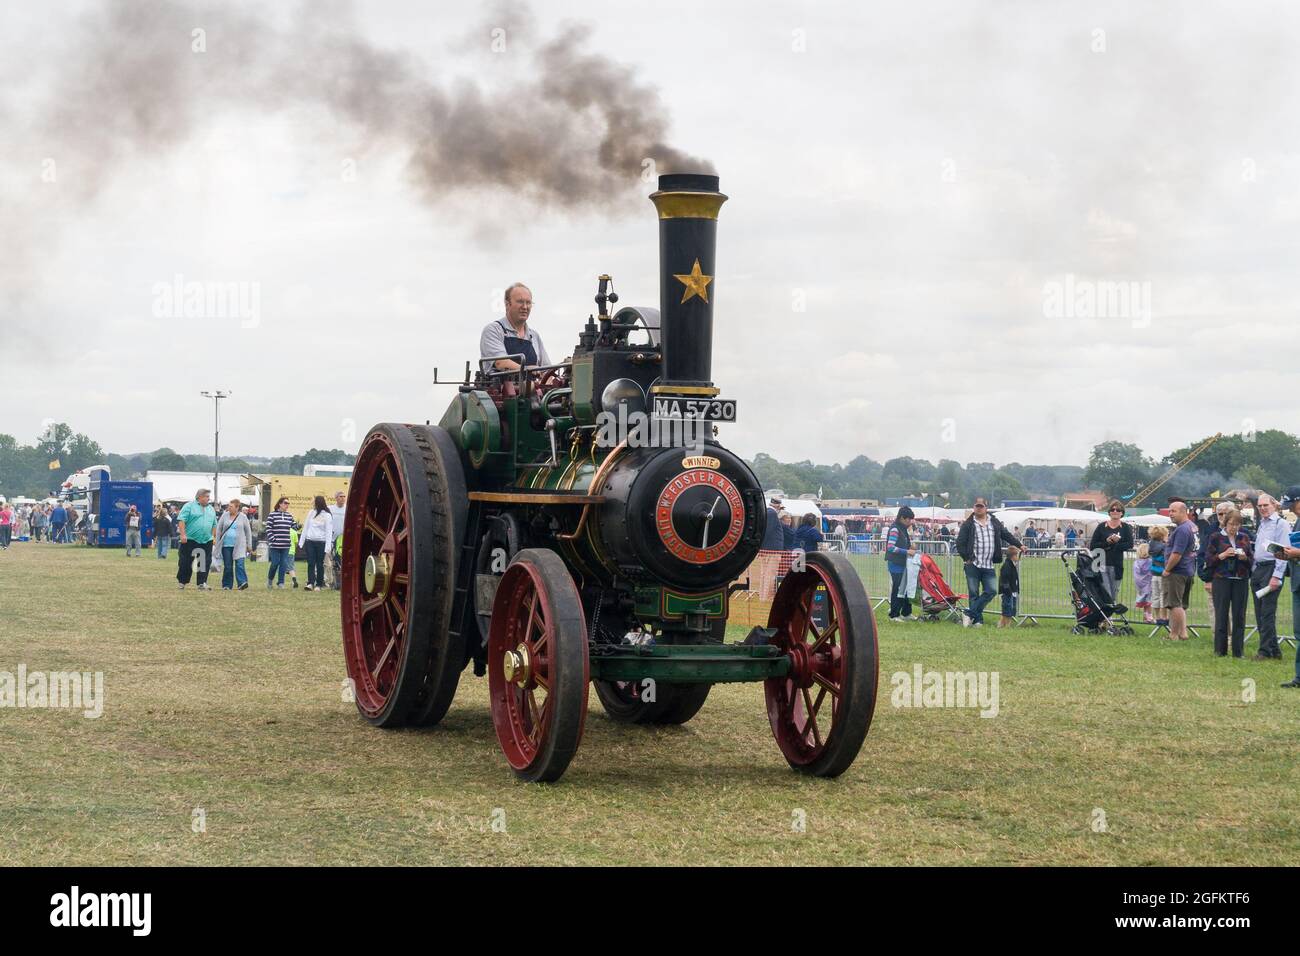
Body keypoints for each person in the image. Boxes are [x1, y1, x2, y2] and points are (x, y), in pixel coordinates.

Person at [956, 498, 1021, 628]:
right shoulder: (968, 524)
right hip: (972, 564)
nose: (979, 508)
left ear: (986, 508)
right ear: (973, 507)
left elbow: (1006, 535)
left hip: (988, 564)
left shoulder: (994, 522)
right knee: (973, 592)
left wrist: (1020, 545)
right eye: (977, 506)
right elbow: (960, 542)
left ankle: (968, 613)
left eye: (981, 506)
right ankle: (977, 620)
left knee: (991, 590)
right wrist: (966, 557)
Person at [1204, 507, 1253, 658]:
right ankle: (1220, 650)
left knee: (1239, 616)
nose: (1234, 527)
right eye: (1231, 524)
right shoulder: (1215, 537)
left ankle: (1238, 652)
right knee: (1221, 615)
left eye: (1237, 524)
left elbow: (1252, 561)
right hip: (1221, 580)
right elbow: (1208, 560)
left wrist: (1245, 558)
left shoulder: (1244, 538)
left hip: (1240, 580)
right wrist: (1222, 555)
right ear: (1225, 524)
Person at [1250, 493, 1289, 661]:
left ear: (1274, 505)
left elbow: (1283, 552)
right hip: (1258, 570)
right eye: (1260, 506)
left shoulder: (1281, 524)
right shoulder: (1262, 524)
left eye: (1266, 505)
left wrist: (1277, 576)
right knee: (1260, 612)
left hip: (1271, 569)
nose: (1263, 508)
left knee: (1267, 612)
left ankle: (1265, 651)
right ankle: (1274, 650)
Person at [480, 283, 551, 372]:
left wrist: (549, 379)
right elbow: (501, 363)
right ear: (507, 304)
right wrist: (530, 370)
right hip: (502, 385)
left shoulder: (534, 336)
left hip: (533, 385)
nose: (525, 307)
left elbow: (547, 369)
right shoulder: (494, 330)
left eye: (528, 303)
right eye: (520, 302)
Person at [1274, 486, 1300, 688]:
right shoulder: (1297, 521)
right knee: (1299, 632)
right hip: (1297, 581)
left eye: (1292, 505)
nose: (1291, 509)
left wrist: (1296, 553)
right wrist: (1284, 554)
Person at [1161, 498, 1198, 641]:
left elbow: (1177, 553)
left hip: (1177, 571)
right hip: (1188, 569)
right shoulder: (1192, 526)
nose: (1170, 514)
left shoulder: (1182, 529)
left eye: (1173, 511)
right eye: (1169, 511)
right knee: (1181, 605)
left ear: (1183, 512)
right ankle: (1183, 634)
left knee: (1174, 604)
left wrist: (1167, 569)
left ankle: (1174, 635)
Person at [1088, 500, 1134, 601]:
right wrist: (1107, 542)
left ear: (1122, 513)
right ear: (1109, 512)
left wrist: (1116, 544)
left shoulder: (1126, 527)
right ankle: (1106, 616)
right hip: (1101, 563)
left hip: (1116, 564)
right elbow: (1093, 545)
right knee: (1105, 591)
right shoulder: (1101, 526)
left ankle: (1109, 614)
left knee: (1114, 592)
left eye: (1118, 509)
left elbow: (1130, 544)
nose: (1115, 511)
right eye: (1113, 509)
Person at [176, 488, 217, 591]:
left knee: (204, 562)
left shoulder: (211, 509)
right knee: (186, 562)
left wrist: (213, 537)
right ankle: (182, 582)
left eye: (208, 496)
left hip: (206, 540)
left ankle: (202, 583)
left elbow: (214, 524)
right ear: (199, 497)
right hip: (190, 539)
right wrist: (183, 534)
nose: (209, 498)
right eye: (206, 496)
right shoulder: (189, 506)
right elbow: (181, 520)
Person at [885, 506, 917, 621]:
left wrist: (911, 547)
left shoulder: (903, 529)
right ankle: (894, 615)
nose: (910, 522)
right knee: (898, 589)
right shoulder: (895, 529)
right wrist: (907, 551)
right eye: (909, 519)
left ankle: (906, 613)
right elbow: (890, 548)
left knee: (907, 588)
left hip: (903, 564)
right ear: (902, 518)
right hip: (895, 564)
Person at [214, 499, 253, 591]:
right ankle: (227, 585)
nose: (229, 508)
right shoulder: (224, 515)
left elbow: (248, 532)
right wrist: (217, 542)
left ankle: (242, 583)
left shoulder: (243, 517)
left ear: (237, 508)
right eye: (228, 506)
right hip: (226, 545)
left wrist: (249, 545)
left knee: (240, 564)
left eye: (231, 506)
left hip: (240, 545)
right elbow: (219, 529)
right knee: (228, 566)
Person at [300, 495, 334, 591]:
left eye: (314, 501)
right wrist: (302, 541)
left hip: (321, 543)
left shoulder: (327, 515)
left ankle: (319, 584)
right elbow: (306, 527)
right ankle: (310, 583)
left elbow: (328, 531)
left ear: (318, 502)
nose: (312, 503)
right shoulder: (311, 513)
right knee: (311, 563)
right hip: (310, 541)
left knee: (319, 564)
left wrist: (328, 547)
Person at [264, 496, 295, 589]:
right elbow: (268, 528)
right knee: (275, 563)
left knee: (283, 564)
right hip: (275, 545)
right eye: (285, 503)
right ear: (280, 504)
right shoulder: (272, 515)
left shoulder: (289, 516)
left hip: (286, 545)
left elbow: (294, 526)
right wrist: (272, 539)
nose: (287, 505)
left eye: (288, 503)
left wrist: (299, 525)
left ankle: (281, 583)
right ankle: (270, 580)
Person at [1147, 525, 1168, 626]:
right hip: (1163, 573)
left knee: (1155, 596)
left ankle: (1157, 617)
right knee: (1163, 595)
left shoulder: (1151, 545)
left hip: (1154, 573)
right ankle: (1164, 617)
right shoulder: (1164, 547)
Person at [327, 491, 347, 590]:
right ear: (336, 498)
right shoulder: (330, 509)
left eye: (344, 496)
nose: (343, 498)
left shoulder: (347, 509)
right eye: (340, 496)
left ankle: (341, 582)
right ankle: (328, 580)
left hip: (343, 539)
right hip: (331, 539)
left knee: (341, 561)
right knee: (329, 561)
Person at [997, 545, 1021, 627]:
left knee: (1011, 608)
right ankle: (1003, 624)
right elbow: (1004, 579)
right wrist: (1008, 590)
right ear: (1013, 556)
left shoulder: (1011, 564)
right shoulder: (1007, 566)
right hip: (1007, 591)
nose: (1018, 557)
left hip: (1012, 591)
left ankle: (1006, 624)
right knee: (1007, 608)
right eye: (1017, 555)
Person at [1133, 543, 1154, 623]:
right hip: (1149, 584)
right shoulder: (1150, 562)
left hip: (1140, 585)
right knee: (1149, 602)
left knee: (1146, 602)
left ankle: (1146, 616)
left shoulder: (1136, 562)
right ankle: (1149, 617)